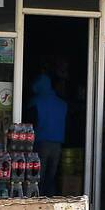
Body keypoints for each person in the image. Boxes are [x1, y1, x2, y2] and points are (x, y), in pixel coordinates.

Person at [27, 69, 67, 197]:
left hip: (41, 143)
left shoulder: (35, 102)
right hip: (57, 145)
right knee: (51, 178)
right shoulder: (62, 104)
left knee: (37, 177)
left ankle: (38, 202)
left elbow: (30, 123)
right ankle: (50, 201)